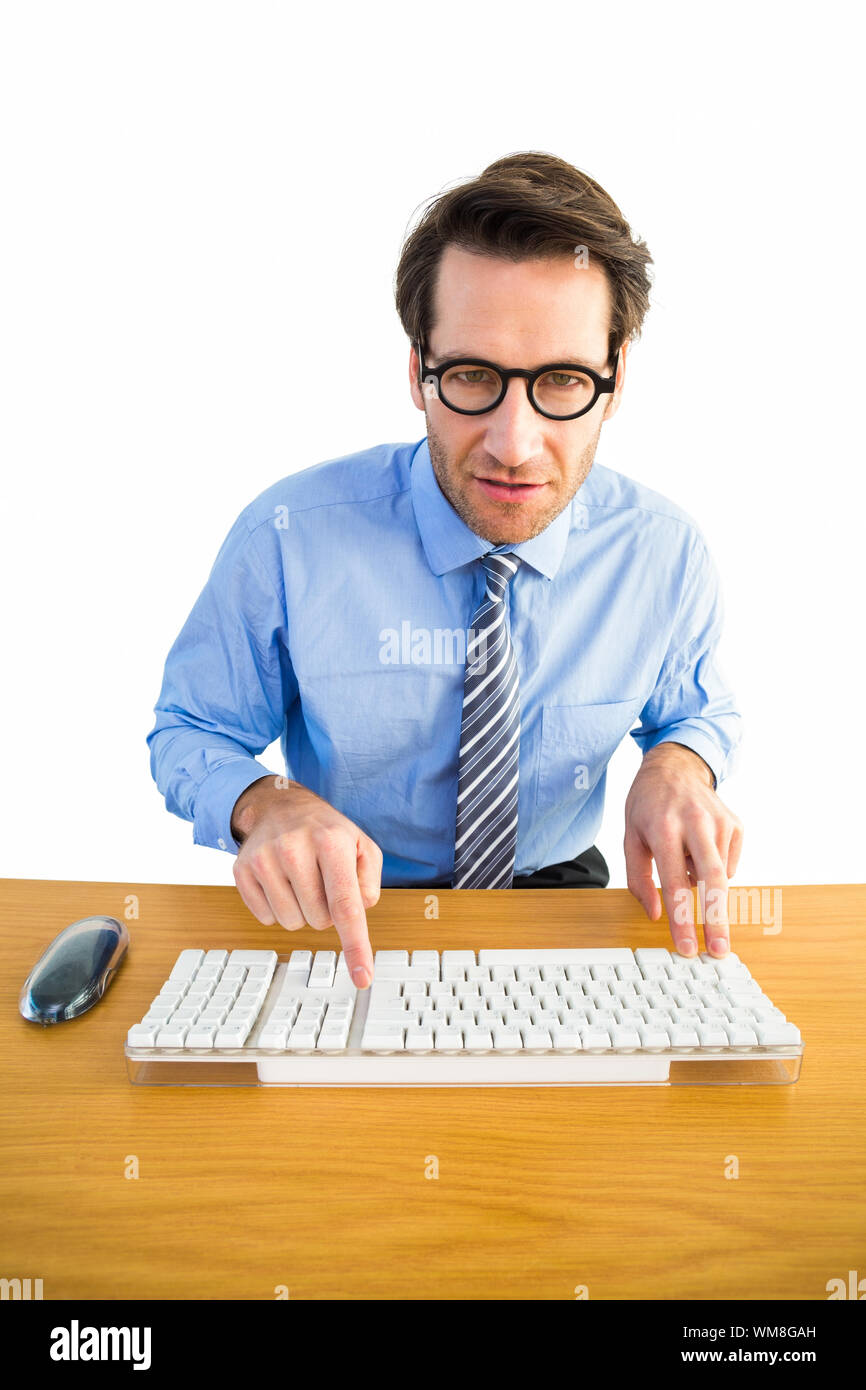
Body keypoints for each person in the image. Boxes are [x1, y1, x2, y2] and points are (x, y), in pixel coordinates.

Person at [147, 151, 743, 990]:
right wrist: (264, 805)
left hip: (558, 903)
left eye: (564, 381)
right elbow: (191, 728)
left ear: (614, 381)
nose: (513, 444)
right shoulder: (287, 537)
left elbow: (700, 711)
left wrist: (677, 765)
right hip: (342, 909)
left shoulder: (663, 551)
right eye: (472, 376)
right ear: (418, 371)